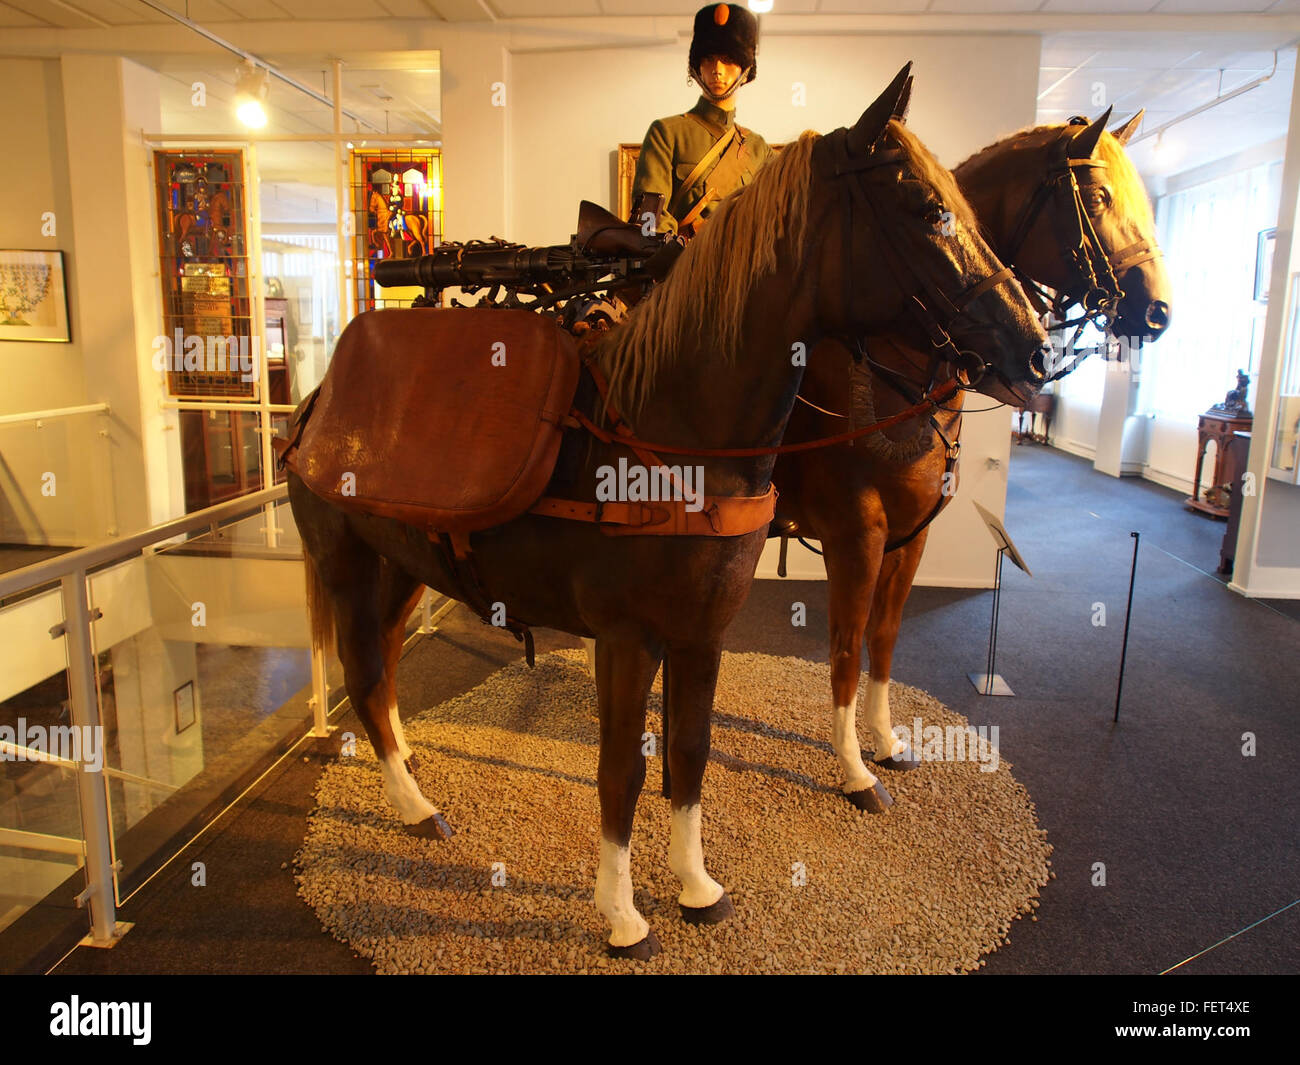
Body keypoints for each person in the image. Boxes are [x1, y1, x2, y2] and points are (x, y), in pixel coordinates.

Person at [631, 3, 773, 239]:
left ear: (746, 69)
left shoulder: (758, 149)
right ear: (696, 66)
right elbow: (650, 217)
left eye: (728, 60)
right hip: (685, 268)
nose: (717, 70)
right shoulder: (666, 133)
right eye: (708, 59)